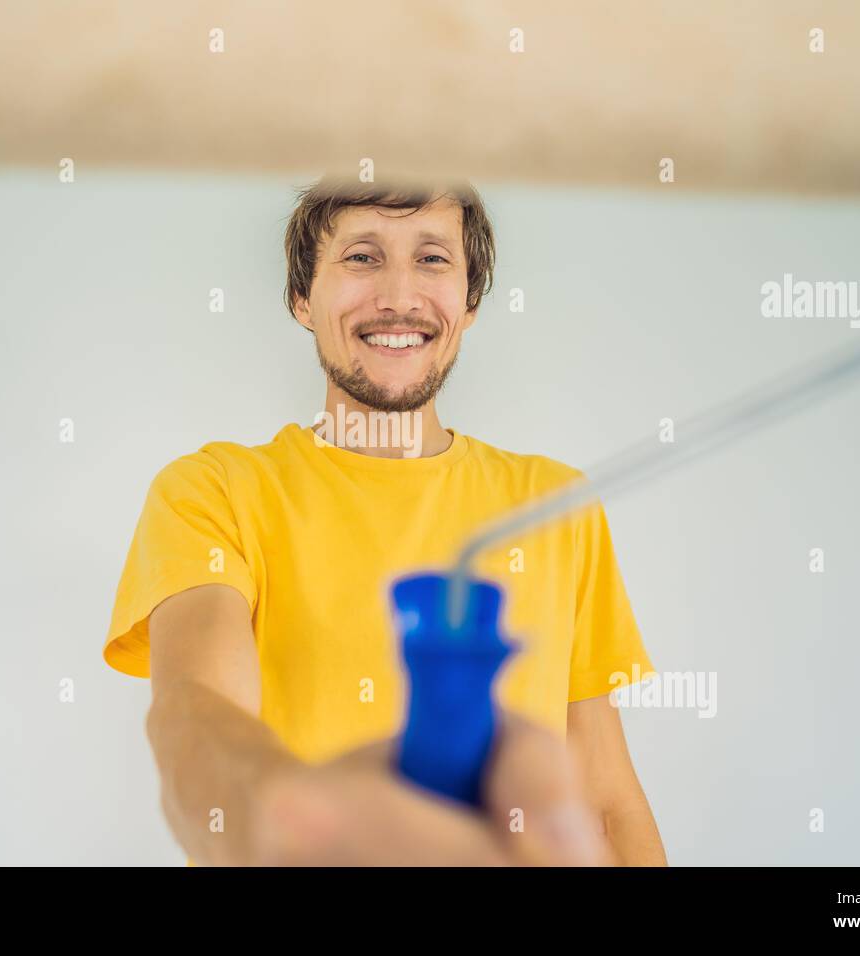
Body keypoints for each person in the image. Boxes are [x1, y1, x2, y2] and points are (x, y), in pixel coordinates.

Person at [103, 175, 665, 866]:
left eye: (432, 258)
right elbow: (194, 715)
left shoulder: (554, 504)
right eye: (362, 256)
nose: (399, 296)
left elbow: (607, 805)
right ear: (301, 298)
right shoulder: (214, 491)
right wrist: (292, 823)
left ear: (471, 300)